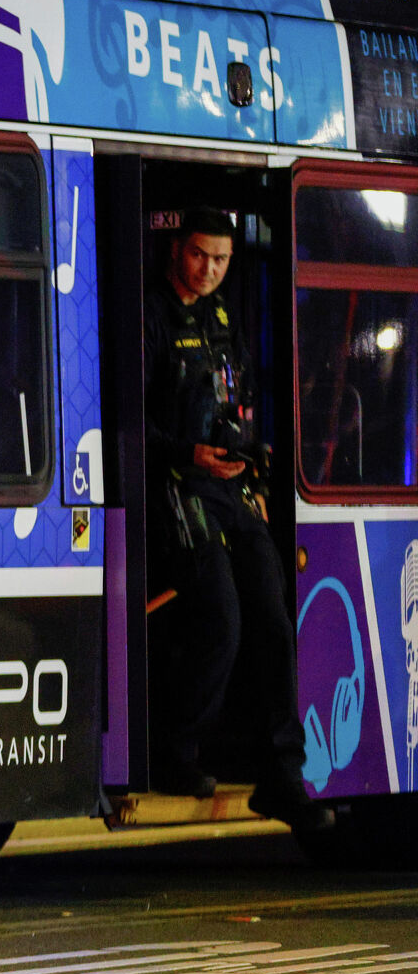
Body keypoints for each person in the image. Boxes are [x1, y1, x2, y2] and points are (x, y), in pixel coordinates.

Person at [145, 207, 330, 834]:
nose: (210, 270)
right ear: (176, 249)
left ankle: (282, 774)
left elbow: (243, 396)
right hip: (176, 487)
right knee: (221, 619)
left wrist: (254, 455)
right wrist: (183, 452)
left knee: (276, 620)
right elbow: (120, 422)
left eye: (222, 259)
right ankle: (175, 752)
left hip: (234, 486)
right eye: (200, 255)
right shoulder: (147, 314)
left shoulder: (226, 316)